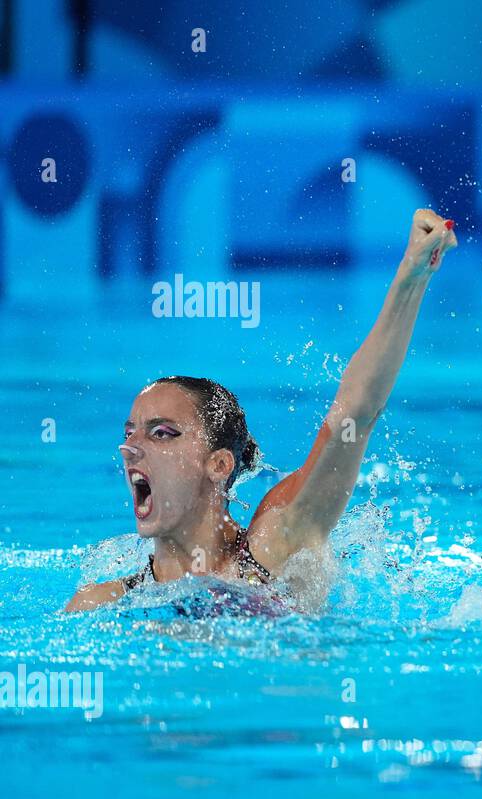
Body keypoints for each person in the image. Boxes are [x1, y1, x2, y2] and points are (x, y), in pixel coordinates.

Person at [63, 209, 458, 612]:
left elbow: (355, 414)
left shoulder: (276, 547)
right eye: (129, 433)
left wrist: (412, 276)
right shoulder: (100, 603)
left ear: (218, 465)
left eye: (162, 433)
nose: (130, 448)